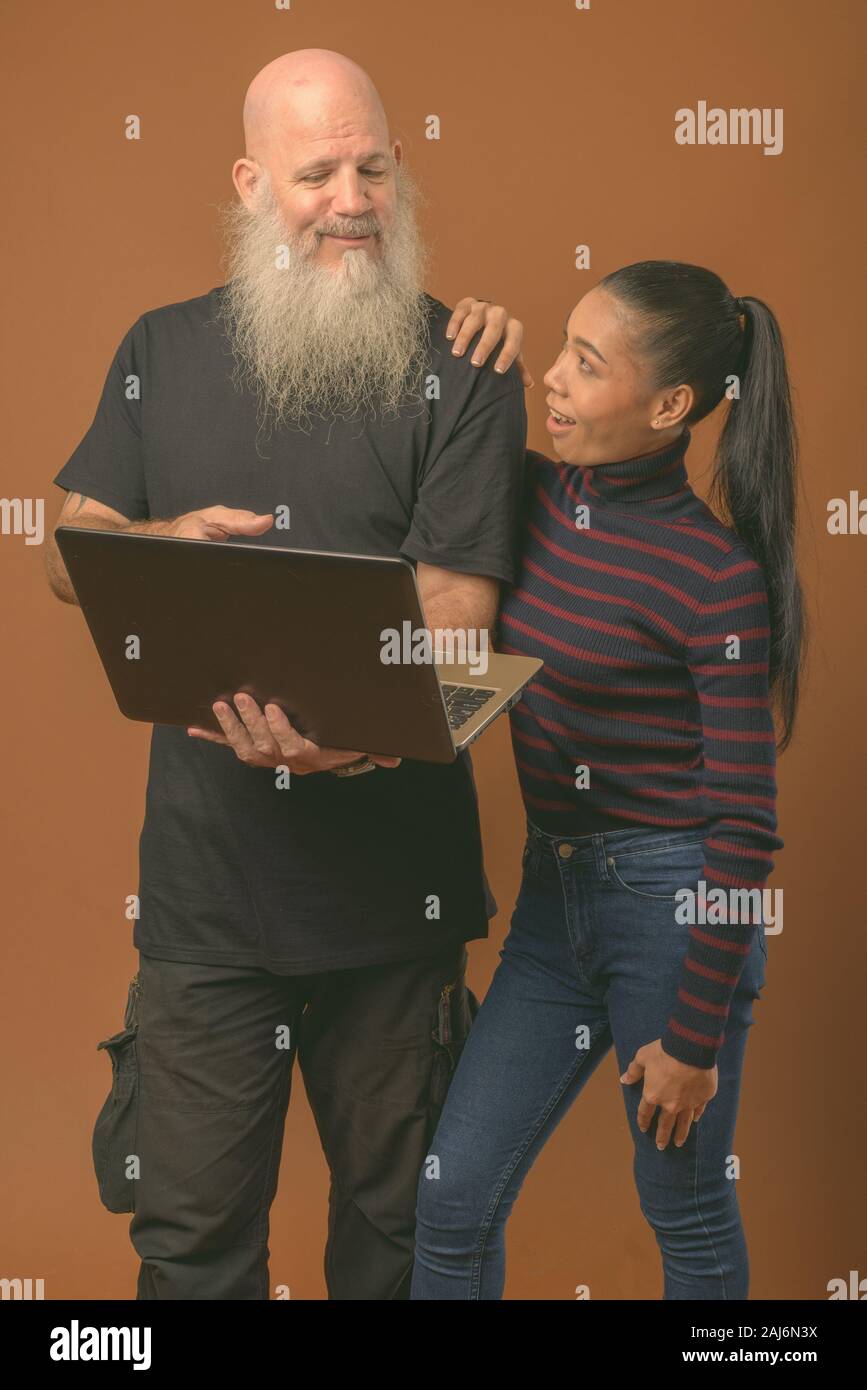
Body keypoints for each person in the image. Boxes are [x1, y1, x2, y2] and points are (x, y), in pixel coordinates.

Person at [44, 48, 531, 1301]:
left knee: (402, 1244)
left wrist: (351, 743)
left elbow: (459, 613)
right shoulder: (161, 345)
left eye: (374, 163)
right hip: (206, 906)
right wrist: (164, 541)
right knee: (193, 1246)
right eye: (319, 171)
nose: (352, 195)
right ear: (254, 184)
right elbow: (71, 547)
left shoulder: (469, 365)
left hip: (396, 901)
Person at [411, 260, 806, 1300]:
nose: (554, 380)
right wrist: (469, 340)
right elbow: (427, 432)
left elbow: (746, 831)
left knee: (684, 1210)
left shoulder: (714, 576)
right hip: (555, 901)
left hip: (675, 919)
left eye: (586, 366)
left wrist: (695, 1030)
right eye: (560, 350)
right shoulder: (531, 498)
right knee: (452, 1198)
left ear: (670, 406)